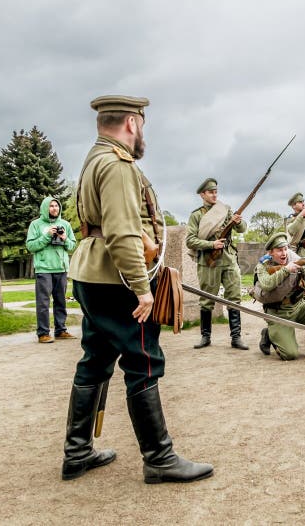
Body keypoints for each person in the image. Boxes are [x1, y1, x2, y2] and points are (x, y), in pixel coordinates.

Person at [64, 95, 212, 484]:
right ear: (132, 123)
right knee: (143, 358)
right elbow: (123, 232)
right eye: (141, 124)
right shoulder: (117, 165)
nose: (142, 132)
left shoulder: (95, 157)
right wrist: (142, 288)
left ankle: (77, 452)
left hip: (92, 274)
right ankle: (159, 459)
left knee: (95, 359)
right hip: (116, 279)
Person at [186, 178, 248, 350]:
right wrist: (211, 245)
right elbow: (190, 241)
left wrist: (238, 221)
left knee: (234, 298)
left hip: (229, 260)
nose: (214, 194)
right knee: (206, 300)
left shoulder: (225, 210)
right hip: (209, 262)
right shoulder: (196, 215)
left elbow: (242, 229)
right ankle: (205, 337)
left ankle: (236, 337)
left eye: (216, 191)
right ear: (202, 194)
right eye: (211, 192)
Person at [255, 232, 305, 360]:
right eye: (279, 250)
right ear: (271, 252)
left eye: (285, 249)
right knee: (290, 355)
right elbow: (267, 284)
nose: (284, 253)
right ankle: (268, 334)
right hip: (277, 314)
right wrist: (286, 270)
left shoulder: (295, 260)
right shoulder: (263, 265)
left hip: (297, 308)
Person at [26, 196, 77, 343]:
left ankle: (61, 330)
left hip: (61, 268)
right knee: (43, 302)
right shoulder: (35, 225)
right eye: (51, 206)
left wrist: (65, 238)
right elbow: (31, 246)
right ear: (45, 208)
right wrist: (47, 235)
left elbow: (72, 246)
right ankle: (43, 333)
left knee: (61, 301)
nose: (55, 208)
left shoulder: (65, 224)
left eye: (56, 206)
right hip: (44, 269)